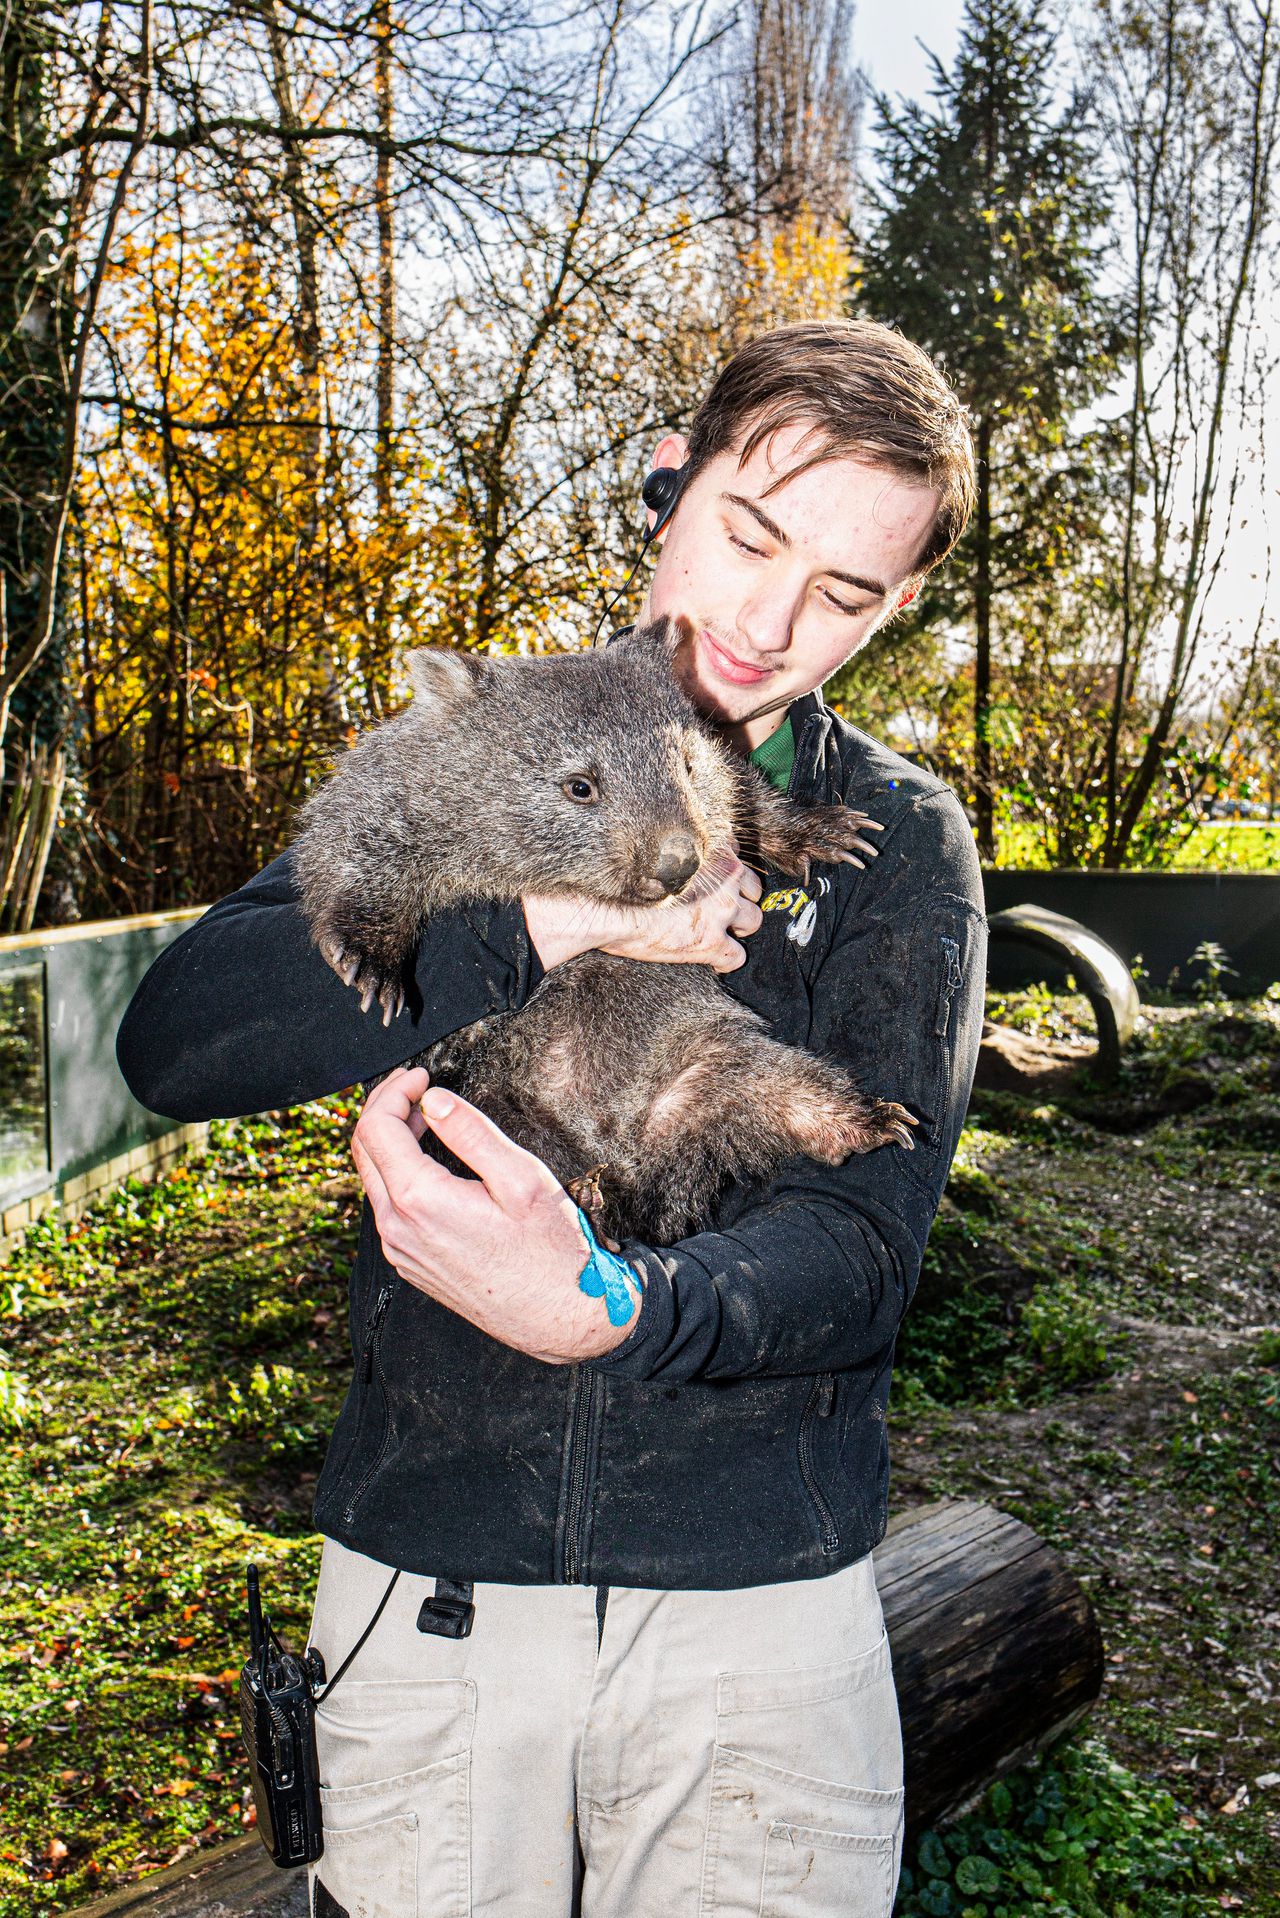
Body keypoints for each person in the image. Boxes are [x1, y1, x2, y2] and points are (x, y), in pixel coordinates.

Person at [117, 317, 987, 1918]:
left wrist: (613, 1308)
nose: (771, 621)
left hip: (753, 1622)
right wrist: (538, 923)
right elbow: (180, 1039)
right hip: (438, 1595)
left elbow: (864, 1249)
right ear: (668, 480)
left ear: (900, 607)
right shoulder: (481, 738)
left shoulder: (899, 839)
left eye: (844, 593)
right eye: (750, 535)